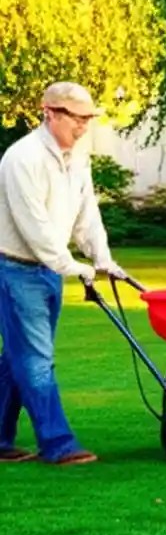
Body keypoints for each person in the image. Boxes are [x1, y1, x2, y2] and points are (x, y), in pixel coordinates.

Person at [0, 81, 128, 465]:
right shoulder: (21, 159)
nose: (84, 126)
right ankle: (58, 444)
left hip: (47, 273)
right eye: (77, 117)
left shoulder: (77, 156)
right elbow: (33, 226)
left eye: (89, 118)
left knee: (17, 359)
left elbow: (86, 213)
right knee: (36, 360)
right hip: (16, 270)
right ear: (50, 113)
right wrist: (71, 265)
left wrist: (102, 258)